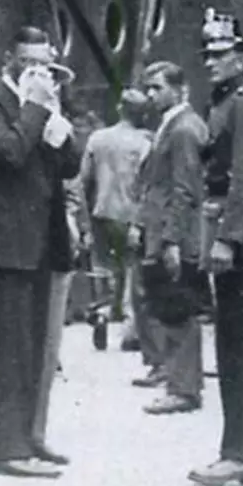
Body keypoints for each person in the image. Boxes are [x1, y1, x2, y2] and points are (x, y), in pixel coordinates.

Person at [0, 26, 80, 480]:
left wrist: (61, 133)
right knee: (9, 348)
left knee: (34, 346)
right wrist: (36, 108)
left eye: (45, 64)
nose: (40, 71)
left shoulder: (43, 104)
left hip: (40, 242)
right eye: (30, 63)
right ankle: (3, 448)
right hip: (5, 245)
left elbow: (68, 166)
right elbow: (10, 153)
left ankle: (28, 436)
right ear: (9, 60)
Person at [187, 10, 243, 486]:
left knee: (239, 348)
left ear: (241, 57)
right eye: (208, 55)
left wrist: (226, 239)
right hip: (230, 235)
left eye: (221, 54)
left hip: (241, 243)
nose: (212, 63)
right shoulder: (227, 102)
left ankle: (242, 454)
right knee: (236, 346)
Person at [134, 61, 209, 415]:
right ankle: (182, 381)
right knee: (170, 305)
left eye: (157, 87)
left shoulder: (182, 130)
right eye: (149, 88)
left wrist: (172, 240)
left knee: (177, 307)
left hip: (171, 233)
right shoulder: (175, 125)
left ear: (180, 90)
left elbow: (185, 188)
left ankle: (183, 388)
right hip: (161, 229)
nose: (151, 94)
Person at [78, 85, 151, 352]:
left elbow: (83, 179)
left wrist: (83, 218)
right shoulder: (145, 141)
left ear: (120, 109)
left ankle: (102, 312)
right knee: (132, 269)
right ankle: (131, 330)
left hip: (101, 210)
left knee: (103, 265)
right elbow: (146, 186)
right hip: (130, 215)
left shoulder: (98, 138)